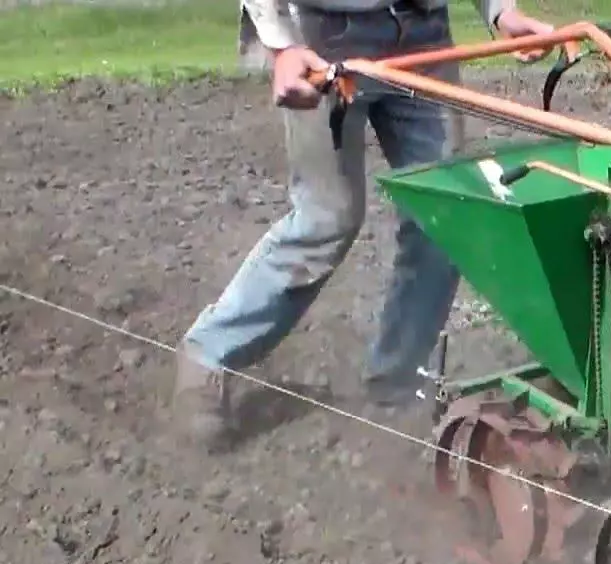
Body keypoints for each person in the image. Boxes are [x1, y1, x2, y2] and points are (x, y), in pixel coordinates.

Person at [171, 0, 555, 447]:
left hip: (422, 31)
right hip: (322, 37)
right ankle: (207, 354)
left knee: (444, 213)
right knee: (326, 217)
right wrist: (282, 46)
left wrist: (501, 12)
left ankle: (397, 385)